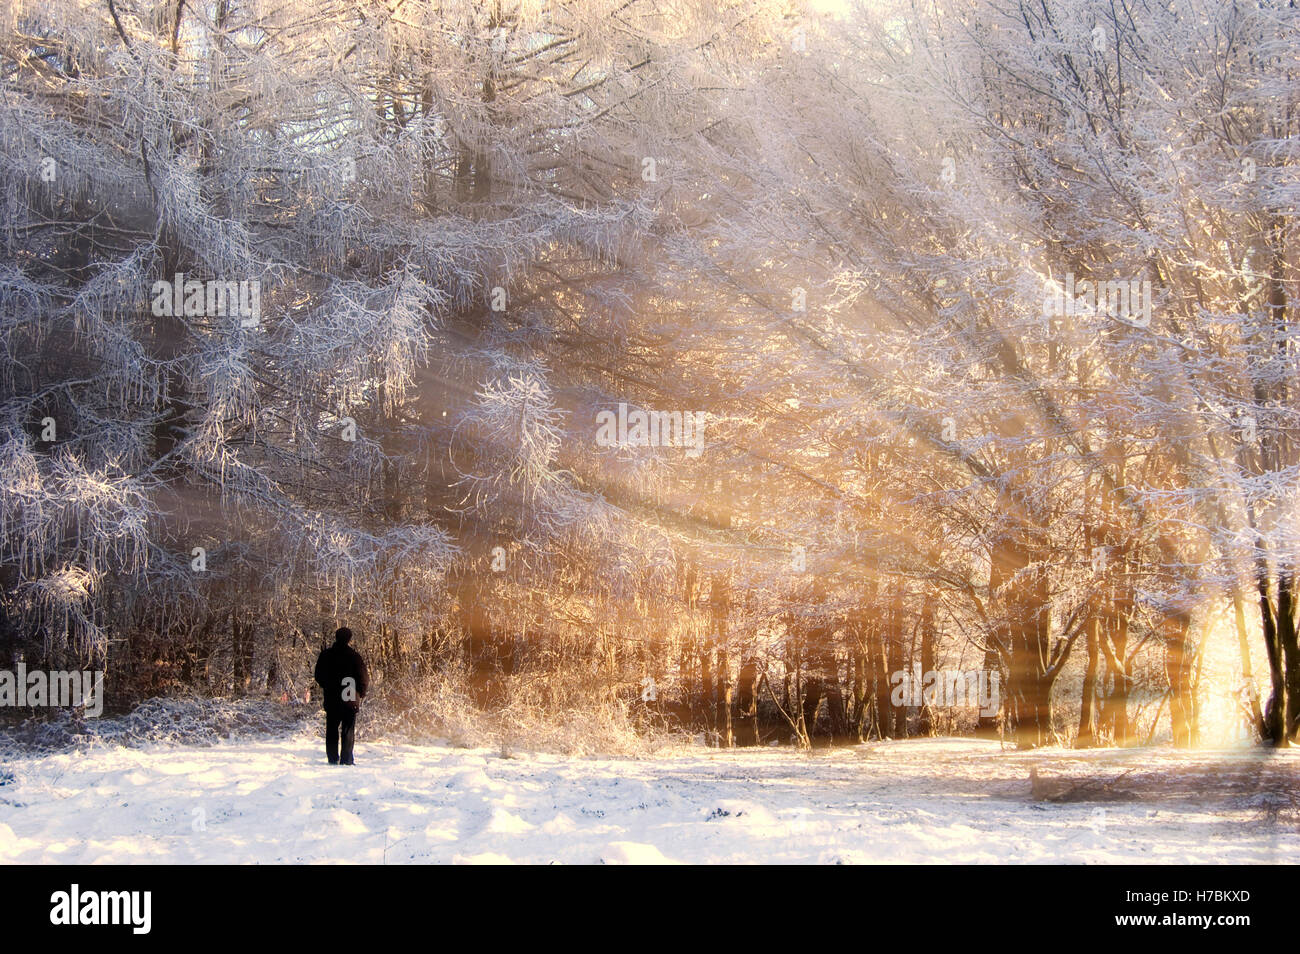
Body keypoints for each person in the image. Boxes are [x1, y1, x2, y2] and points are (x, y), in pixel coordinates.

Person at [313, 626, 369, 765]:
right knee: (348, 729)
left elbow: (318, 675)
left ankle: (332, 758)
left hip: (332, 697)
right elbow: (363, 677)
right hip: (350, 697)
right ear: (349, 639)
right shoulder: (354, 656)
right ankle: (347, 759)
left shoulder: (326, 655)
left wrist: (327, 686)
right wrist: (361, 692)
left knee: (331, 728)